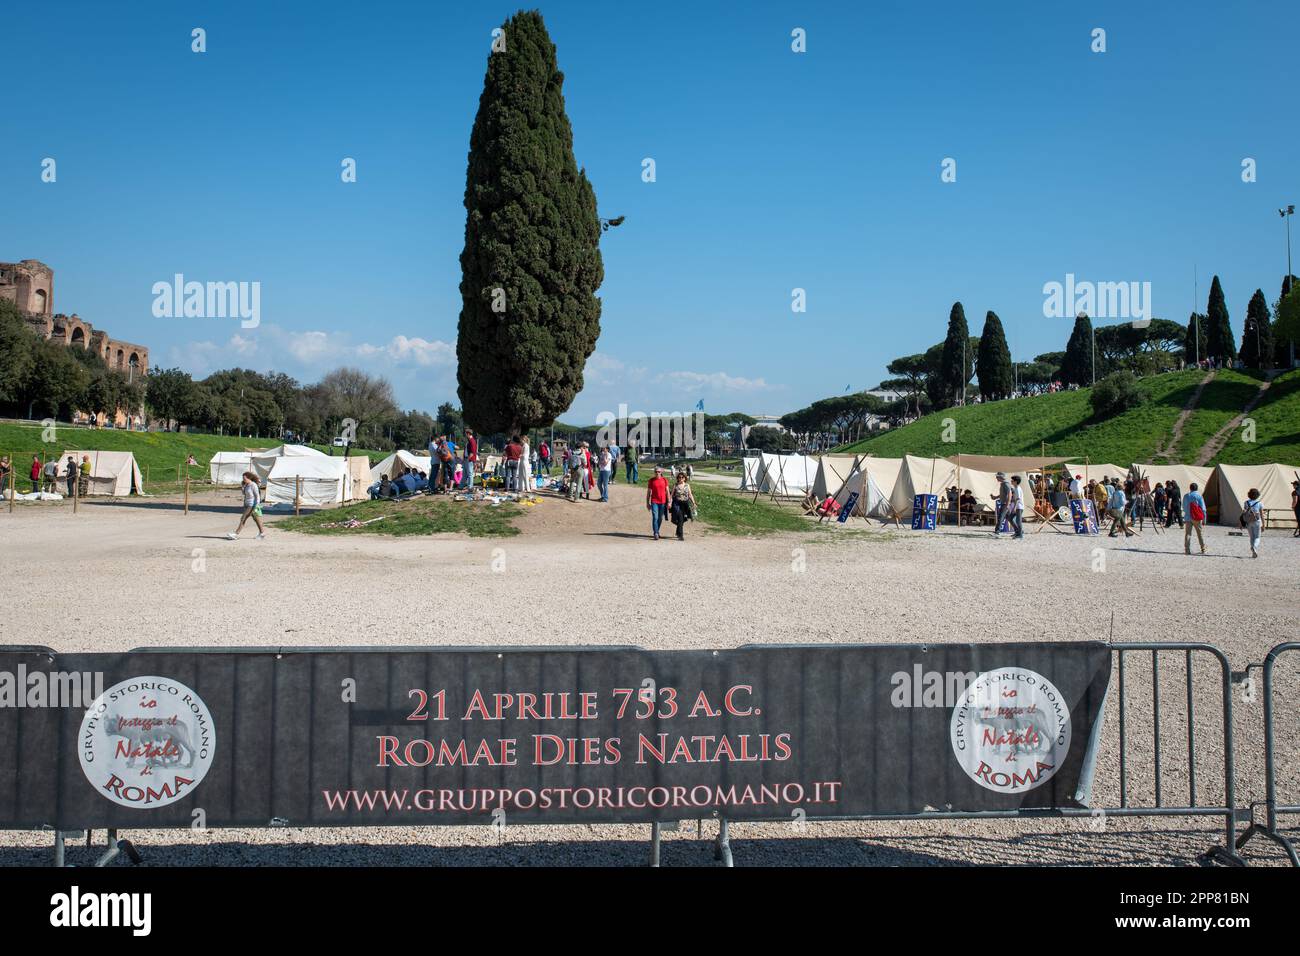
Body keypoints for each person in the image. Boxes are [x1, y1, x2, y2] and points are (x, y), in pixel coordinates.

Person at [226, 471, 266, 540]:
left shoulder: (253, 485)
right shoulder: (247, 485)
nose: (243, 479)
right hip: (247, 504)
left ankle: (236, 534)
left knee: (243, 518)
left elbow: (257, 496)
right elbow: (245, 494)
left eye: (244, 478)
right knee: (256, 519)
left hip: (252, 504)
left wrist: (256, 505)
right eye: (243, 478)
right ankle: (262, 533)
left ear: (249, 478)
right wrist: (243, 487)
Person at [669, 471, 697, 540]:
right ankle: (678, 530)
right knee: (674, 520)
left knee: (681, 519)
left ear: (684, 478)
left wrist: (693, 503)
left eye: (682, 477)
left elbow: (690, 495)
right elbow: (671, 495)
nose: (681, 478)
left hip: (685, 504)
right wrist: (669, 502)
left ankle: (680, 535)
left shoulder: (687, 485)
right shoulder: (675, 485)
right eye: (679, 477)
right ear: (677, 478)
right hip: (677, 503)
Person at [1183, 481, 1208, 555]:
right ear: (1197, 488)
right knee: (1199, 533)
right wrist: (1204, 518)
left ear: (1190, 488)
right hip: (1197, 517)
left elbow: (1184, 507)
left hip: (1188, 517)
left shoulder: (1186, 496)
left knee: (1188, 534)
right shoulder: (1199, 496)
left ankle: (1187, 550)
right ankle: (1203, 548)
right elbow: (1203, 508)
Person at [646, 466, 670, 539]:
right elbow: (649, 492)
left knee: (660, 518)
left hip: (663, 502)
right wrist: (647, 503)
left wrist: (669, 502)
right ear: (654, 472)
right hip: (654, 501)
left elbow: (667, 492)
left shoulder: (664, 480)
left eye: (659, 472)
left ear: (661, 472)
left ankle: (657, 531)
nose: (657, 473)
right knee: (655, 517)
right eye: (656, 472)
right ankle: (656, 533)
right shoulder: (651, 480)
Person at [1243, 488, 1264, 558]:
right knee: (1257, 537)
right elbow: (1261, 515)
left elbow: (1244, 512)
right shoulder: (1259, 503)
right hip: (1257, 521)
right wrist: (1263, 524)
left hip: (1249, 521)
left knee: (1251, 537)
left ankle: (1253, 550)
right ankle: (1254, 547)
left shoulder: (1246, 502)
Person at [992, 472, 1011, 536]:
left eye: (997, 477)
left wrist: (1007, 504)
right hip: (1005, 503)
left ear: (1001, 477)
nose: (996, 478)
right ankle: (1018, 530)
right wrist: (995, 497)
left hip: (1005, 504)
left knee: (1000, 517)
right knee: (1010, 518)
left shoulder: (1006, 484)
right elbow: (1003, 494)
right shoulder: (1003, 484)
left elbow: (1009, 494)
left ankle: (997, 532)